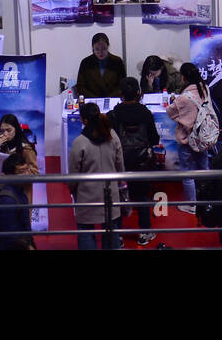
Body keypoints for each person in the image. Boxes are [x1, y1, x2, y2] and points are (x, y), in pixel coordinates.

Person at [110, 77, 160, 246]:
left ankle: (117, 237)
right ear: (138, 93)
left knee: (116, 197)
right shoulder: (145, 112)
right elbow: (154, 138)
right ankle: (145, 232)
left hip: (119, 161)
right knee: (142, 196)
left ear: (121, 94)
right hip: (141, 161)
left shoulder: (114, 113)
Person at [68, 103, 125, 250]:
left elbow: (73, 174)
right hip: (110, 193)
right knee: (111, 230)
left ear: (83, 120)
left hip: (87, 196)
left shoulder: (79, 142)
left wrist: (72, 190)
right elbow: (120, 165)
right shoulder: (112, 135)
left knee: (85, 230)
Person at [166, 62, 215, 214]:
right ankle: (206, 199)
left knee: (187, 172)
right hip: (204, 136)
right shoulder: (205, 89)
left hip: (187, 139)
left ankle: (191, 205)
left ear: (184, 78)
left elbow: (170, 112)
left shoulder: (183, 98)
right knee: (203, 168)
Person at [74, 33, 126, 98]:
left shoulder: (117, 61)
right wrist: (95, 99)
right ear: (92, 48)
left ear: (108, 46)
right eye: (97, 49)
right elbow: (80, 86)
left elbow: (123, 84)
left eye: (104, 49)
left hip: (113, 99)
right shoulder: (86, 62)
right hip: (91, 101)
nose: (100, 52)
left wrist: (110, 98)